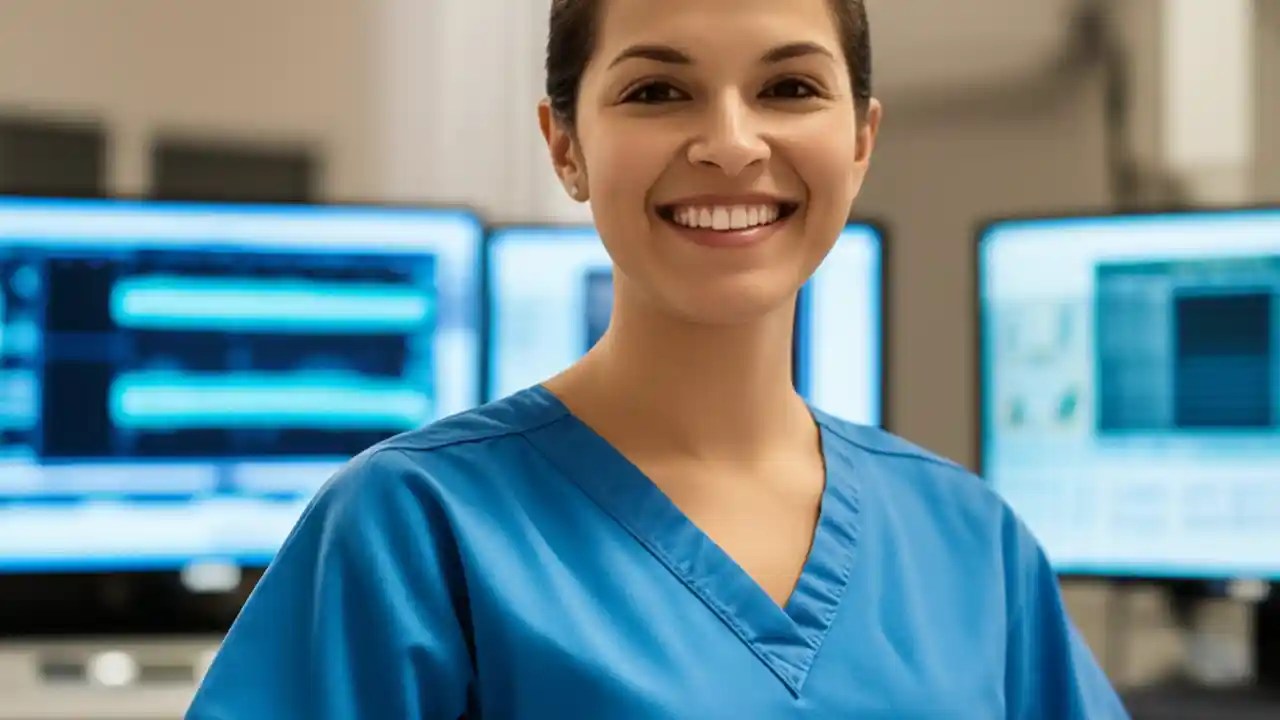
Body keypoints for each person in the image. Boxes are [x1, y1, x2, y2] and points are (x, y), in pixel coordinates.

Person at [186, 0, 1131, 717]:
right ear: (566, 146)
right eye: (656, 91)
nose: (729, 144)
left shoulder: (970, 545)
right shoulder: (412, 531)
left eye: (789, 88)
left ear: (860, 140)